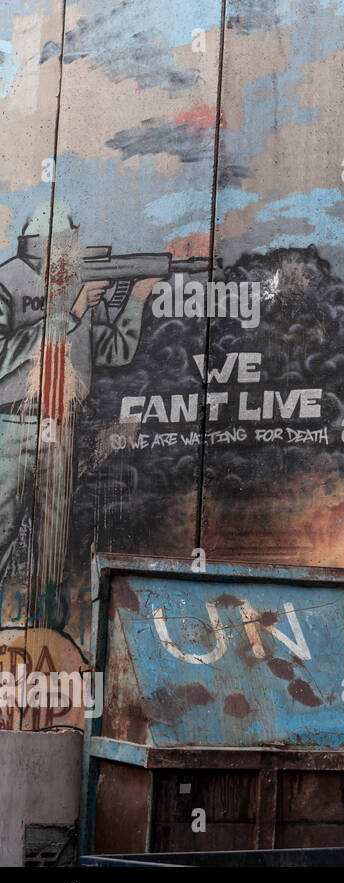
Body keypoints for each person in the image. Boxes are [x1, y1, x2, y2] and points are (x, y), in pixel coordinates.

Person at [0, 200, 158, 605]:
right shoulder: (8, 282)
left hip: (62, 425)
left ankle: (47, 631)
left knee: (54, 543)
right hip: (11, 426)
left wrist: (137, 297)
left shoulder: (80, 280)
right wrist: (67, 314)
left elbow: (112, 351)